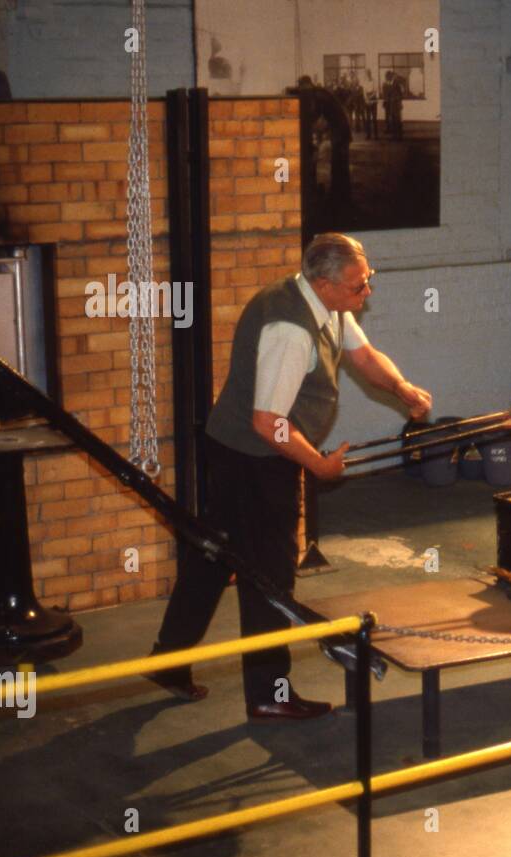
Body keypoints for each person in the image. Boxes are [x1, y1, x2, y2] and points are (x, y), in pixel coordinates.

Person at [147, 233, 432, 718]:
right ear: (325, 283)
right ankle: (268, 696)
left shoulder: (324, 305)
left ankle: (170, 660)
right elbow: (268, 422)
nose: (367, 294)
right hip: (254, 459)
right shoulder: (291, 329)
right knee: (270, 575)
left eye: (368, 282)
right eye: (359, 287)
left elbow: (363, 357)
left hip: (240, 450)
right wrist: (320, 466)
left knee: (214, 555)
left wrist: (403, 388)